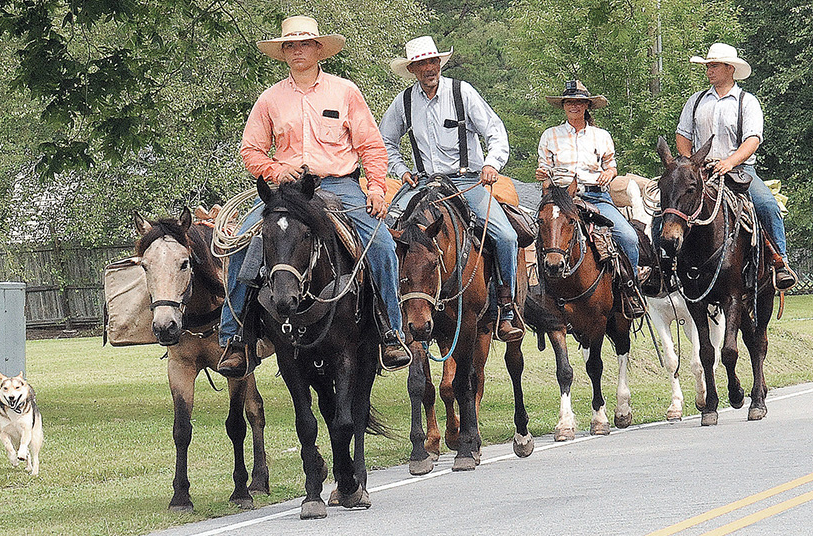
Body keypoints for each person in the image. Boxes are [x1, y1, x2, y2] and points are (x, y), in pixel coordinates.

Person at [217, 15, 412, 377]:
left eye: (304, 44)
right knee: (241, 243)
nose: (298, 50)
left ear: (318, 49)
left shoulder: (345, 91)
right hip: (287, 191)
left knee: (382, 244)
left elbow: (371, 145)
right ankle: (235, 340)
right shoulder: (270, 99)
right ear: (284, 53)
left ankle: (391, 333)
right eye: (290, 45)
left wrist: (375, 187)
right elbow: (251, 150)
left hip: (339, 184)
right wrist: (275, 170)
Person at [379, 36, 523, 342]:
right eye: (422, 64)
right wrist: (401, 170)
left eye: (433, 62)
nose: (429, 69)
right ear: (413, 69)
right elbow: (385, 142)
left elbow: (495, 132)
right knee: (384, 234)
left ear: (439, 64)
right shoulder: (404, 101)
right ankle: (388, 317)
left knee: (507, 236)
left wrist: (492, 164)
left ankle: (505, 310)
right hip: (422, 182)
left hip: (465, 181)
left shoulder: (462, 92)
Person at [674, 42, 796, 290]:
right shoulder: (695, 101)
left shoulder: (747, 102)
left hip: (740, 172)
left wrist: (729, 162)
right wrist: (689, 164)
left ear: (730, 68)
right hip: (701, 173)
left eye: (714, 66)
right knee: (667, 207)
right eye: (708, 66)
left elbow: (752, 140)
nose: (709, 71)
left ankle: (779, 261)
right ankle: (663, 266)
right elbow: (682, 135)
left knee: (766, 205)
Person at [535, 80, 645, 318]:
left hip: (596, 195)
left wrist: (608, 173)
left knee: (627, 237)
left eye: (578, 102)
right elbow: (543, 170)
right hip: (561, 196)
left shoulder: (601, 136)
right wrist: (543, 175)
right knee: (540, 235)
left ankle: (631, 290)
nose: (574, 106)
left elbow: (611, 166)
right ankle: (539, 290)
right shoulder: (549, 135)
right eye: (569, 102)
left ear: (587, 106)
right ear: (563, 106)